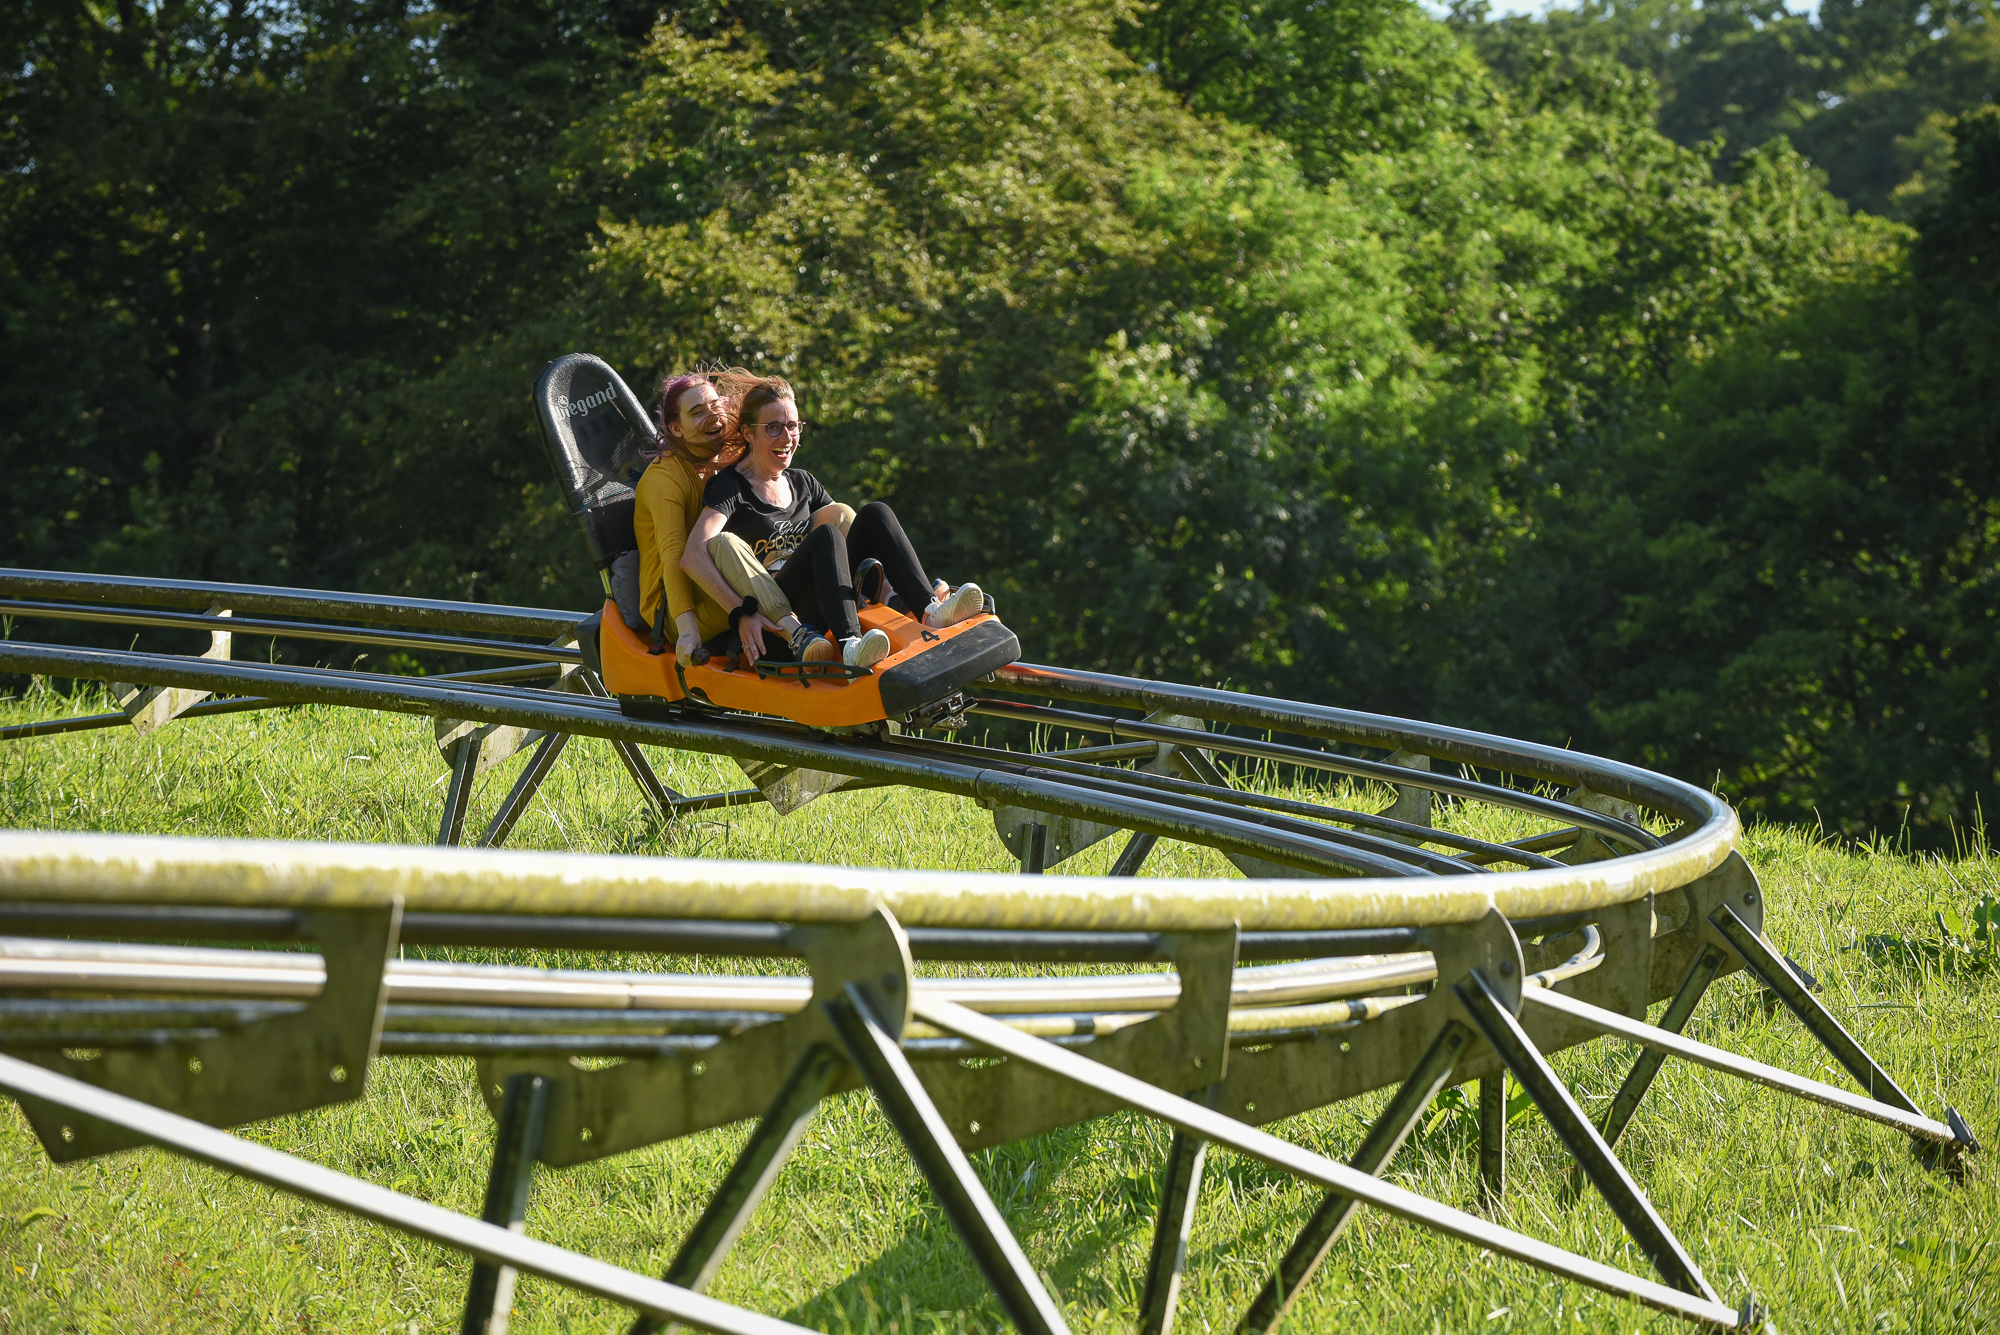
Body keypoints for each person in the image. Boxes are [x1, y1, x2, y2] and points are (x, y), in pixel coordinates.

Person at [681, 371, 989, 668]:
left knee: (874, 513)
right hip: (780, 624)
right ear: (749, 433)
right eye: (773, 428)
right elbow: (693, 556)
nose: (787, 437)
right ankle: (850, 643)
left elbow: (851, 535)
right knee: (826, 536)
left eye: (793, 426)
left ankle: (928, 609)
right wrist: (740, 612)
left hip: (819, 602)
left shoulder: (802, 482)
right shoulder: (730, 486)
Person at [632, 371, 826, 664]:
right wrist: (688, 630)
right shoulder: (665, 478)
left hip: (734, 579)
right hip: (679, 609)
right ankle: (797, 634)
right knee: (726, 544)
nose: (713, 416)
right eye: (697, 412)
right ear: (677, 429)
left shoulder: (722, 459)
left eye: (715, 406)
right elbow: (675, 555)